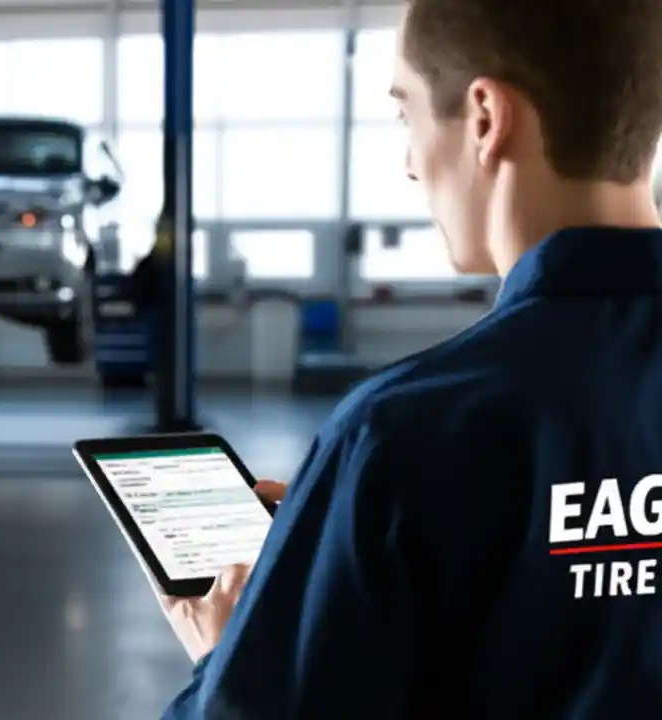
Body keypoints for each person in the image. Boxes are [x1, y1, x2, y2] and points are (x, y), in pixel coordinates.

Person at [159, 0, 662, 717]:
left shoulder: (405, 432)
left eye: (408, 115)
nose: (408, 166)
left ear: (485, 118)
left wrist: (235, 656)